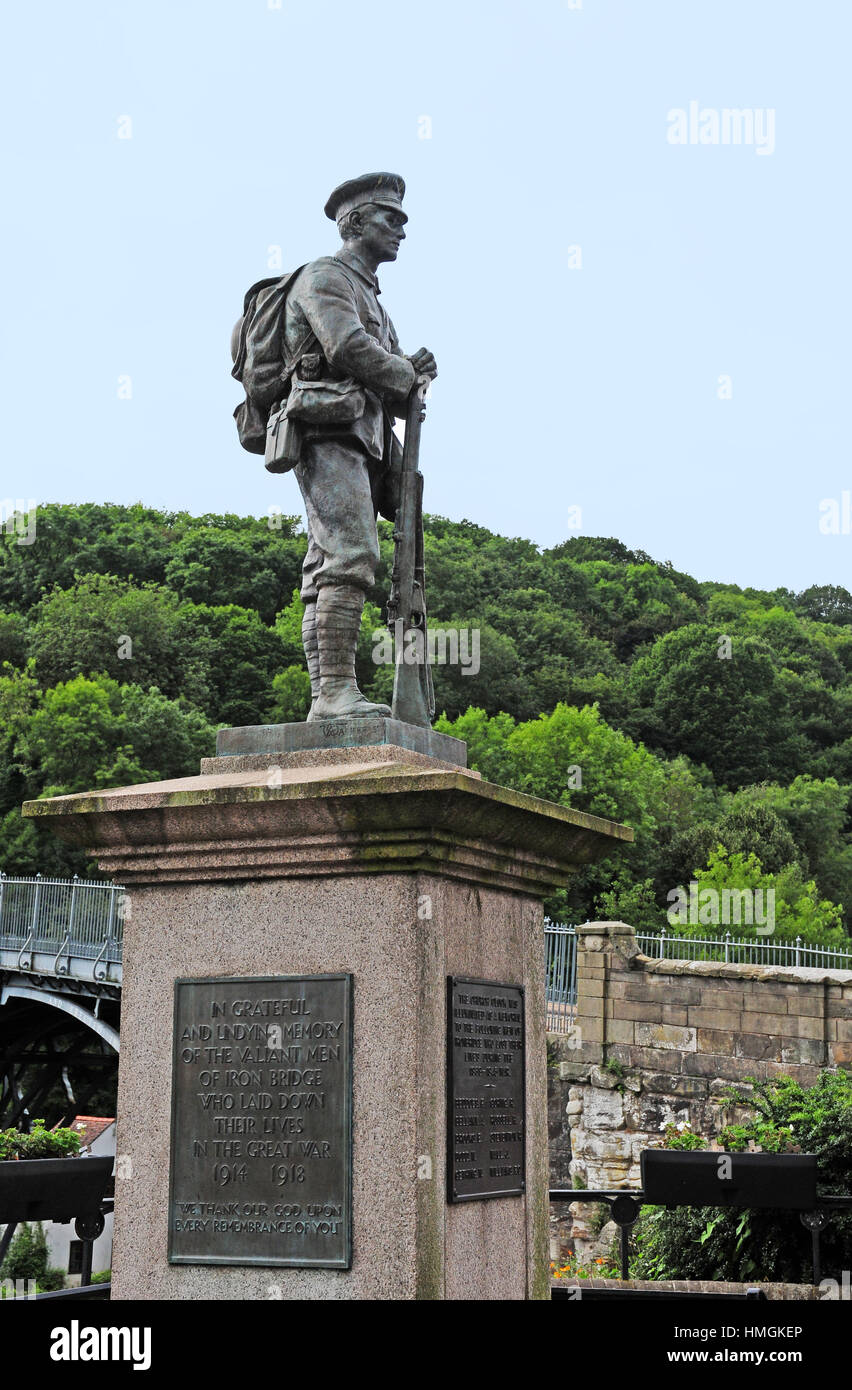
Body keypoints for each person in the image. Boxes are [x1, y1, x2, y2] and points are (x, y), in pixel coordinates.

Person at [282, 172, 437, 721]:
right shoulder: (325, 277)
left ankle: (327, 695)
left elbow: (390, 384)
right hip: (329, 430)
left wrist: (411, 374)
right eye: (389, 217)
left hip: (367, 438)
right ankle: (333, 696)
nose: (401, 228)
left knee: (328, 563)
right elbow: (347, 348)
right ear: (354, 223)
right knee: (350, 557)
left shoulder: (372, 295)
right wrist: (401, 372)